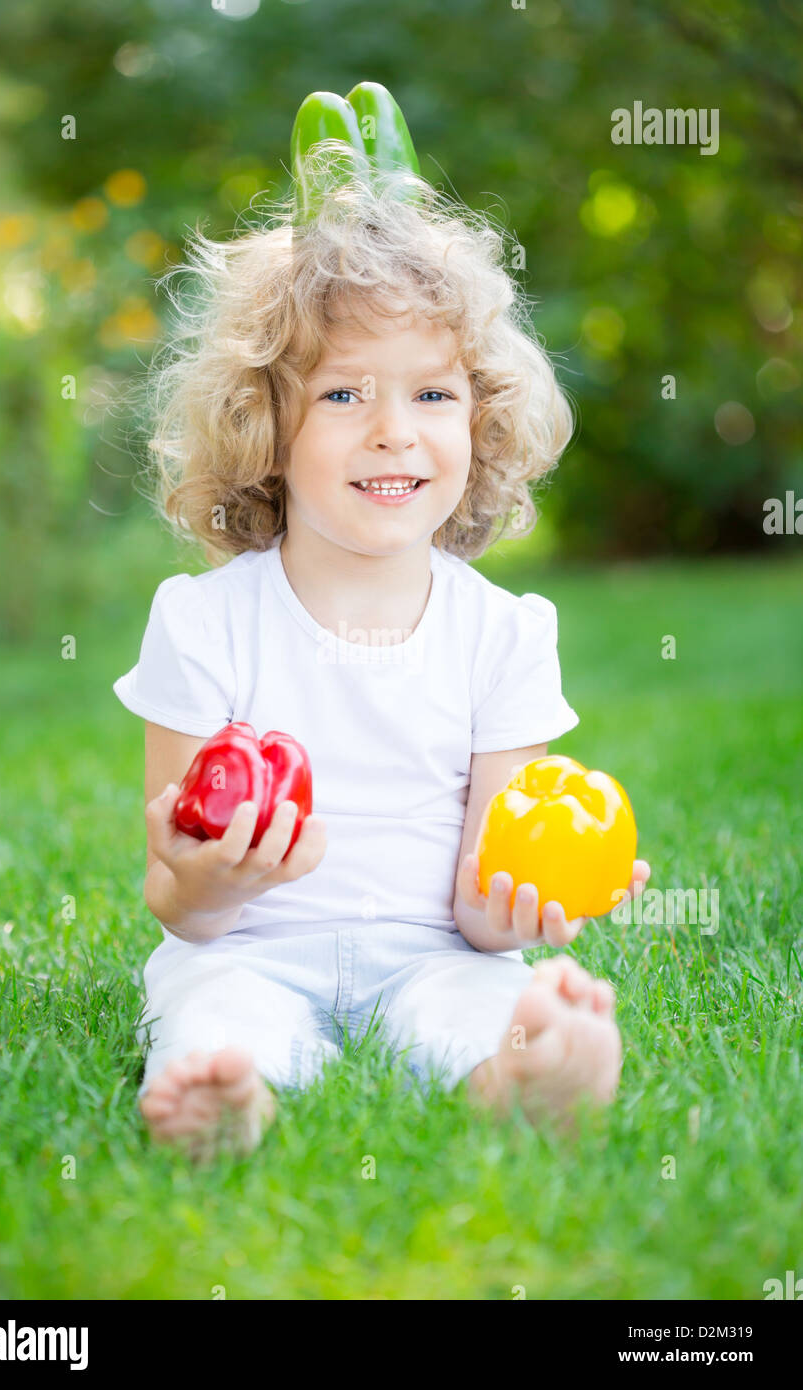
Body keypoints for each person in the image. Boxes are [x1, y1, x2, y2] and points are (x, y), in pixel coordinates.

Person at [113, 165, 650, 1158]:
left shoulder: (506, 632)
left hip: (431, 953)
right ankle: (230, 1099)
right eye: (344, 391)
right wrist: (217, 879)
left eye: (432, 391)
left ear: (478, 421)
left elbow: (478, 918)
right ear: (266, 423)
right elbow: (177, 904)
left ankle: (524, 1081)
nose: (392, 429)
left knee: (487, 1000)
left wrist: (524, 901)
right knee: (212, 1010)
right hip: (249, 949)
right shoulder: (201, 620)